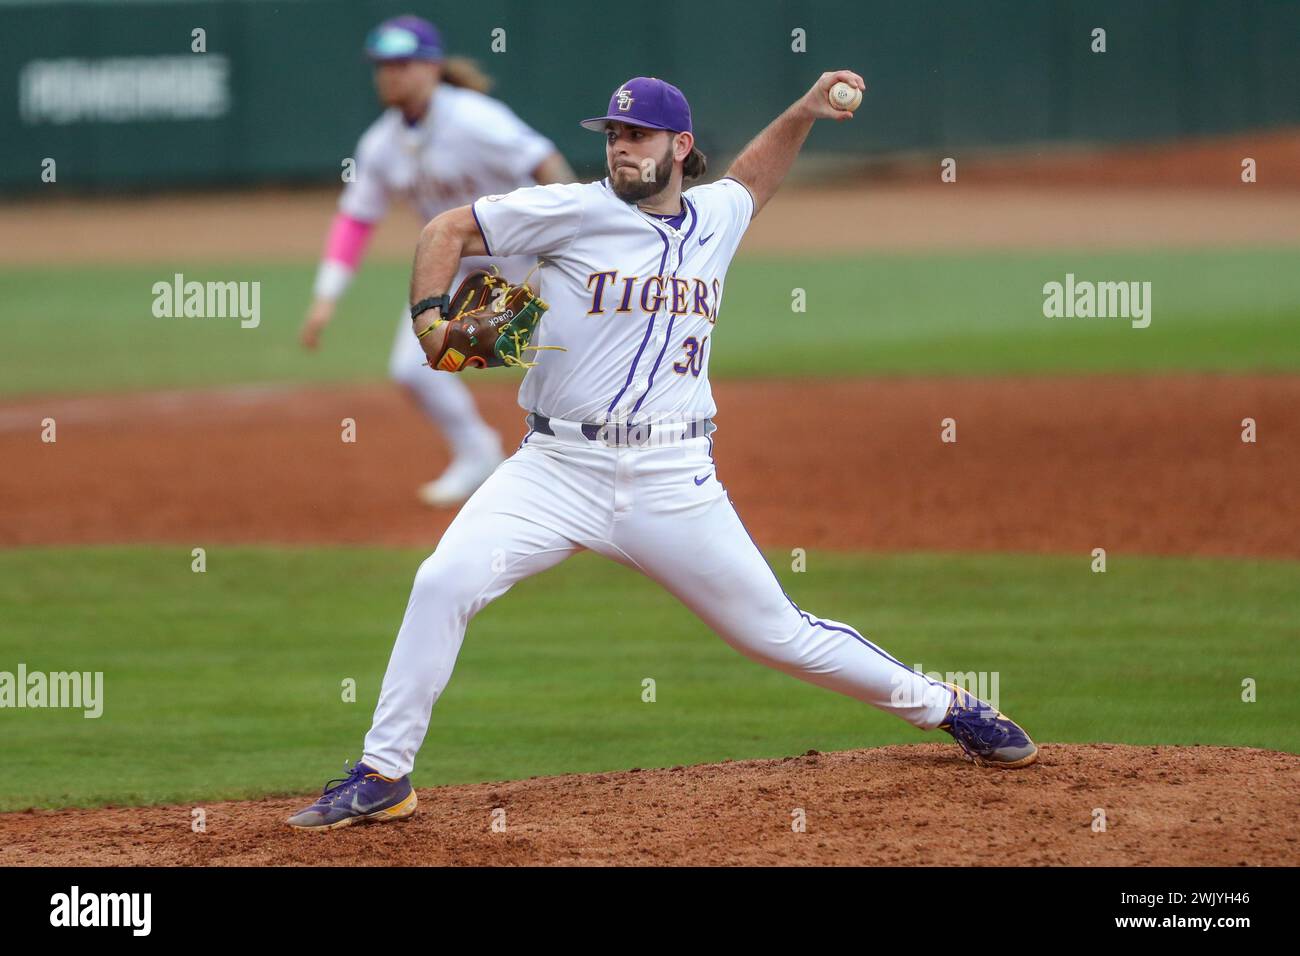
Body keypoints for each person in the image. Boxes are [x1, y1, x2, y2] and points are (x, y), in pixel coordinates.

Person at [288, 71, 1037, 830]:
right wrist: (429, 321)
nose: (620, 147)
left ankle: (948, 707)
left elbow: (755, 176)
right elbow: (445, 229)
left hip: (673, 480)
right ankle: (384, 773)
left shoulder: (716, 217)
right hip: (554, 469)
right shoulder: (570, 209)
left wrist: (805, 110)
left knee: (776, 635)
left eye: (637, 135)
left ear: (680, 146)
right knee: (441, 581)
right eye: (613, 135)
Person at [299, 15, 574, 506]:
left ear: (432, 67)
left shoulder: (474, 118)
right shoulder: (381, 144)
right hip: (459, 264)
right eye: (383, 65)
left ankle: (583, 464)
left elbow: (544, 161)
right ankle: (478, 453)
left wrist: (581, 233)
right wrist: (325, 298)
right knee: (411, 367)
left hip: (530, 258)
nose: (390, 75)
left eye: (402, 64)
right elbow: (356, 219)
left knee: (569, 359)